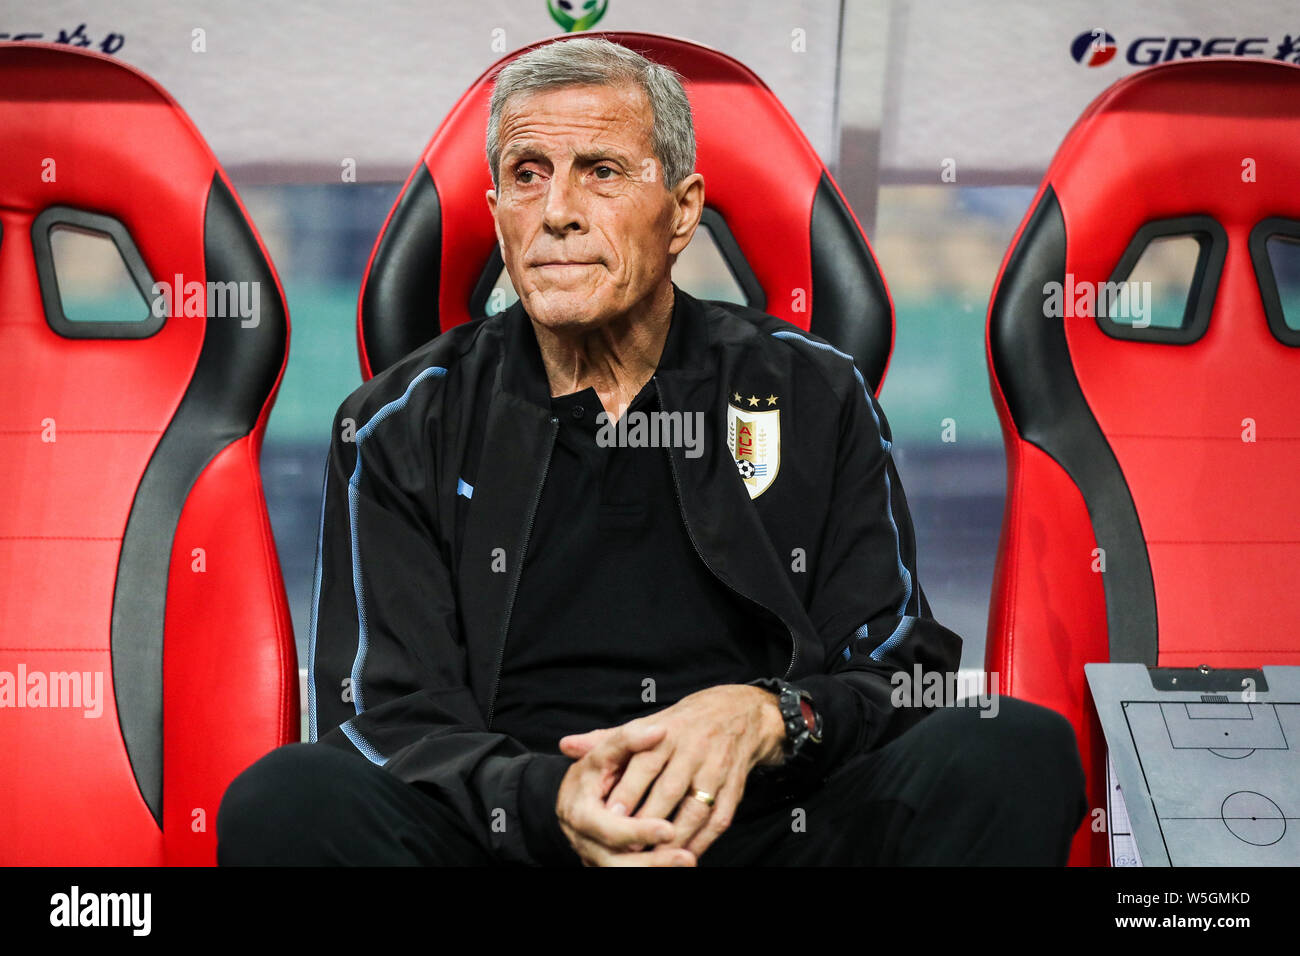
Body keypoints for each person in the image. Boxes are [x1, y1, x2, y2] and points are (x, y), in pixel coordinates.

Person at [218, 35, 1086, 867]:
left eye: (600, 172)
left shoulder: (815, 393)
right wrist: (555, 801)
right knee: (289, 799)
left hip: (767, 827)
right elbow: (388, 717)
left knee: (1012, 749)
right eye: (528, 176)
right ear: (496, 214)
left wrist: (771, 717)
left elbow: (901, 668)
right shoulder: (397, 426)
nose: (557, 212)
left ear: (682, 213)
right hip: (513, 838)